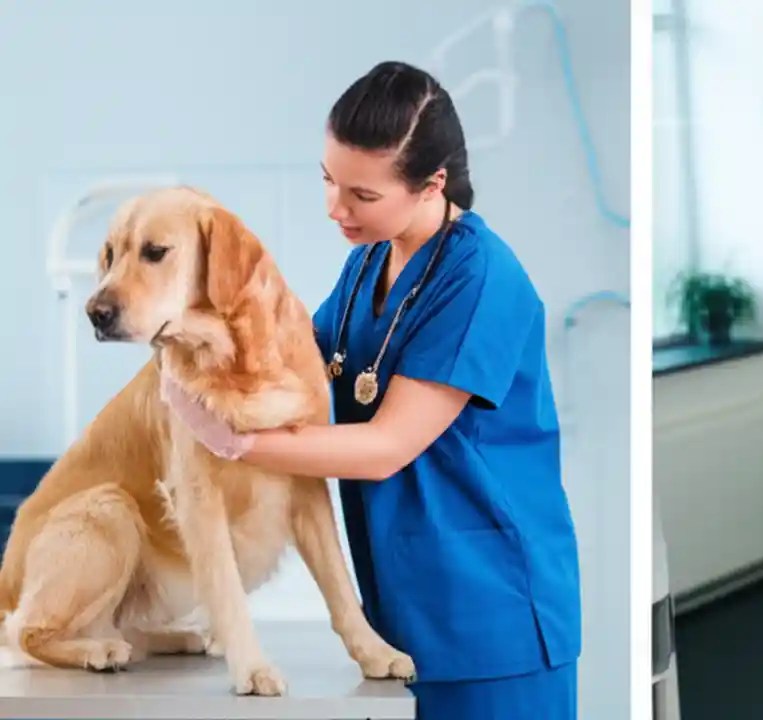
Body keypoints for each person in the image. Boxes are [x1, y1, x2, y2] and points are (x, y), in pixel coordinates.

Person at [161, 60, 580, 719]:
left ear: (432, 184)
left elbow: (384, 447)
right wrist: (194, 316)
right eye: (329, 180)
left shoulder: (481, 280)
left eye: (362, 194)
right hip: (403, 607)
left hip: (490, 616)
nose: (337, 207)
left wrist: (237, 440)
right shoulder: (367, 263)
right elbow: (292, 357)